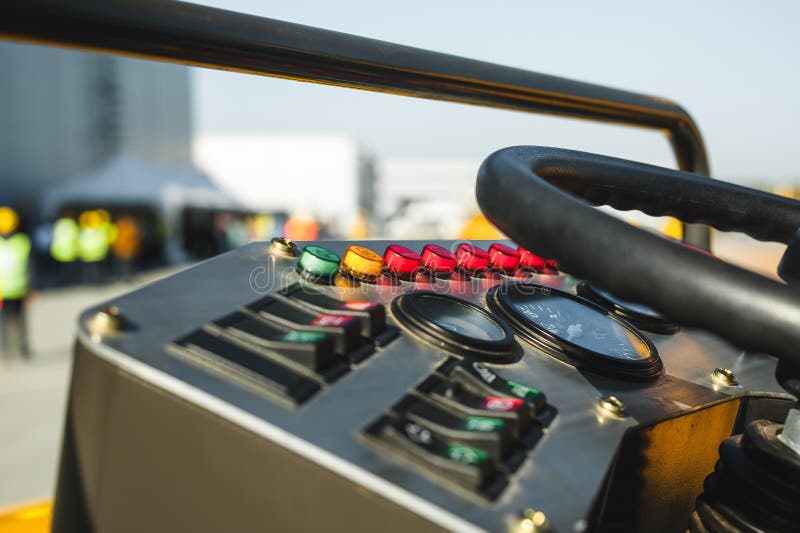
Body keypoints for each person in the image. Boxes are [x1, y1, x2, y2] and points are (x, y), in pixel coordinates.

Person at [0, 206, 32, 359]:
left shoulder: (22, 242)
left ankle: (19, 348)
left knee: (17, 321)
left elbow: (31, 267)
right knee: (6, 322)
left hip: (18, 290)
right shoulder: (23, 242)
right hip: (5, 291)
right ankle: (7, 349)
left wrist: (31, 288)